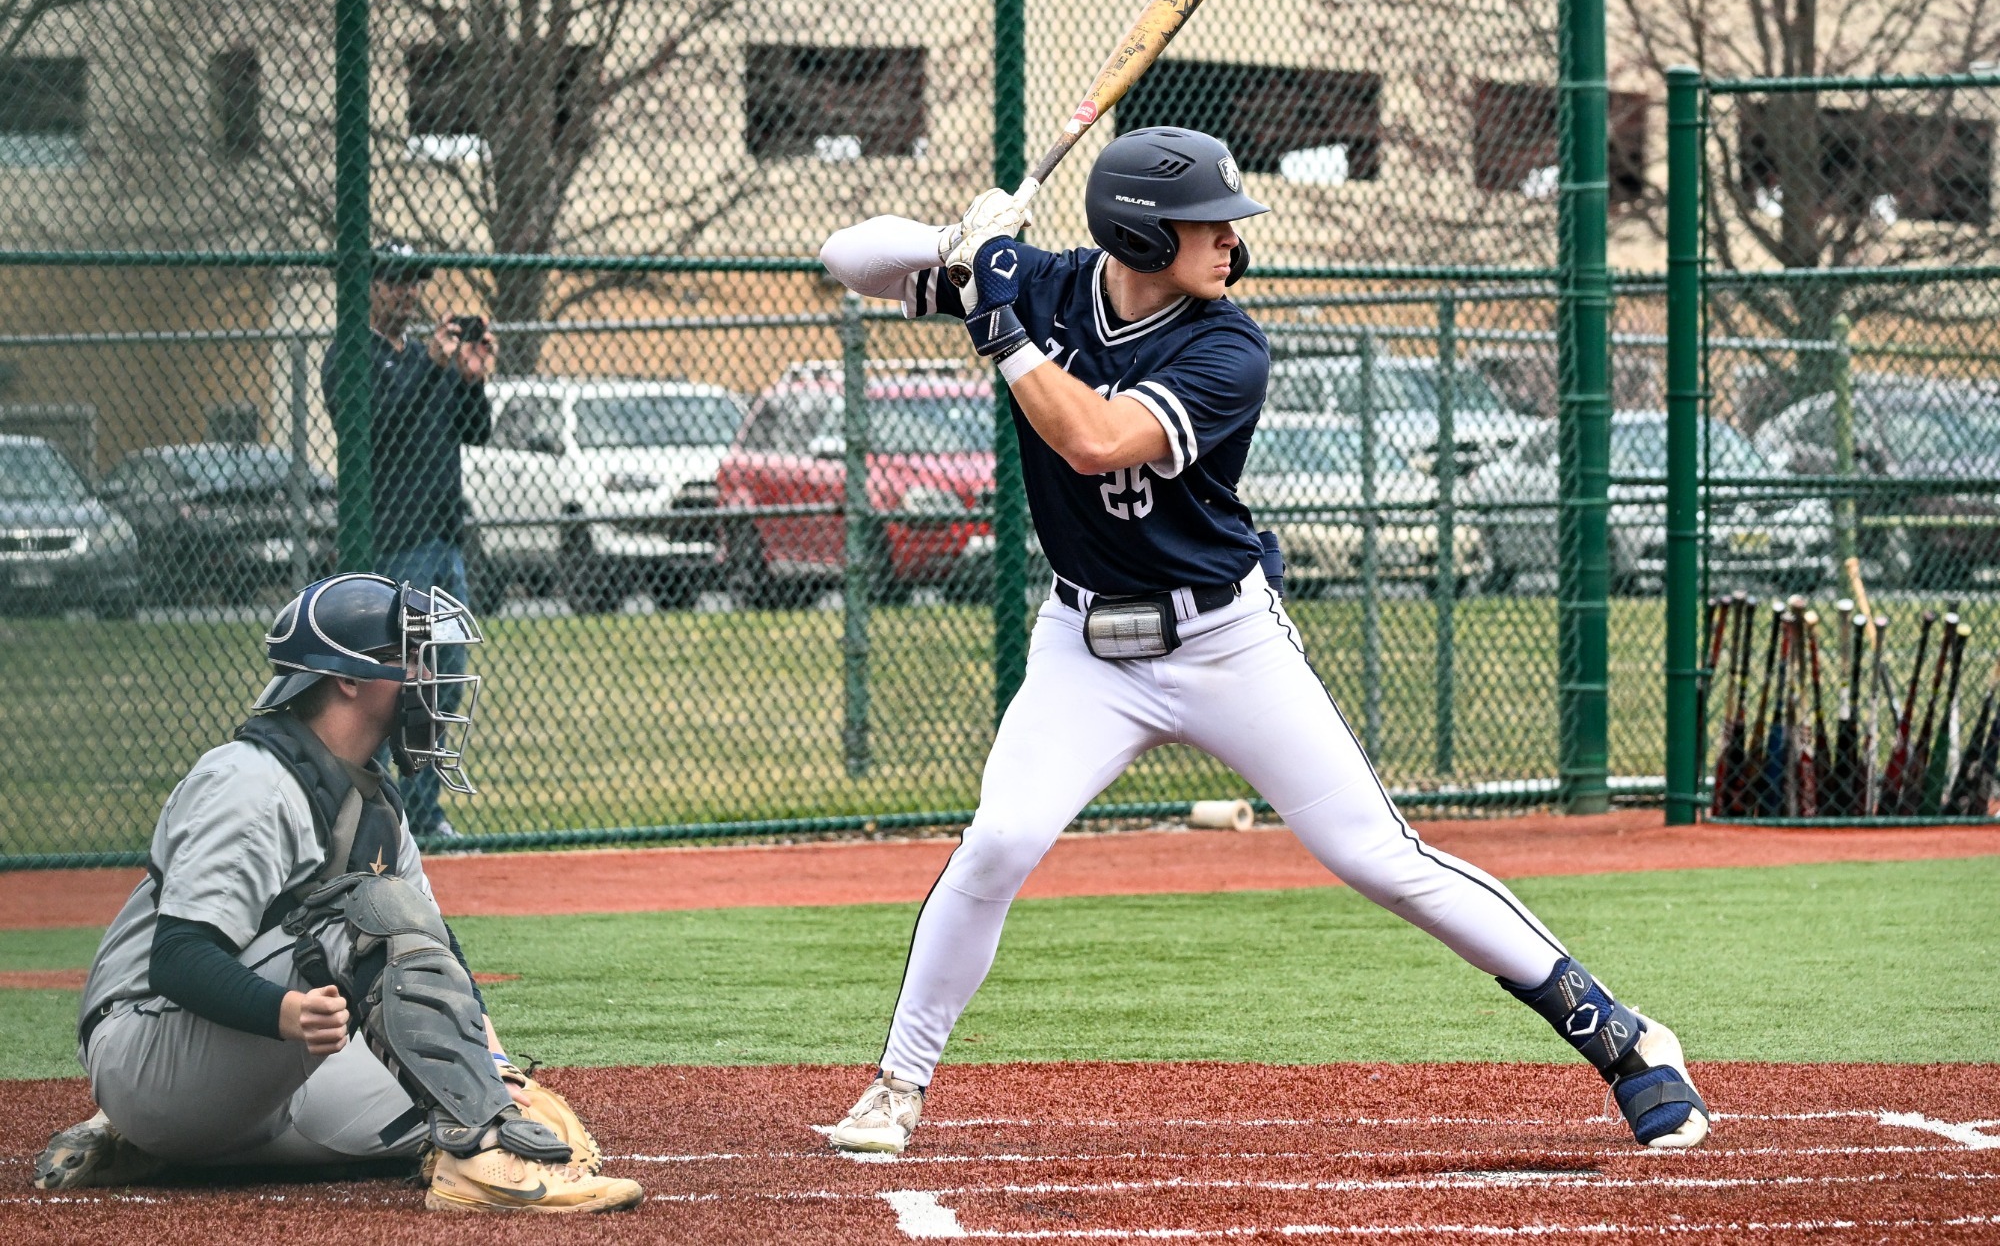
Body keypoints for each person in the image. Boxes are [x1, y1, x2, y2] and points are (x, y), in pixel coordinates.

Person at [815, 127, 1710, 1156]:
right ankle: (897, 1084)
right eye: (1209, 223)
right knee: (1002, 838)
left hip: (1222, 640)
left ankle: (1626, 1039)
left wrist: (1000, 323)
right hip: (1082, 646)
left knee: (1378, 857)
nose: (1231, 242)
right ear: (1141, 231)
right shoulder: (1047, 286)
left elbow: (1093, 437)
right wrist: (962, 243)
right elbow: (844, 259)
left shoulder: (1224, 345)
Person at [32, 573, 643, 1214]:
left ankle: (148, 1151)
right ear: (346, 679)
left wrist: (491, 1068)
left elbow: (435, 950)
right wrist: (285, 1013)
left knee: (453, 1091)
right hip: (150, 1052)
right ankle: (482, 1162)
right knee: (369, 910)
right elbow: (178, 958)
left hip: (261, 1074)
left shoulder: (377, 800)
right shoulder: (248, 783)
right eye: (406, 657)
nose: (426, 676)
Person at [321, 241, 495, 837]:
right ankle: (383, 818)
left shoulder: (429, 360)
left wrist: (470, 380)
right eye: (396, 280)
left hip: (444, 542)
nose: (408, 292)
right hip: (395, 544)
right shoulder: (350, 353)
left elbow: (476, 431)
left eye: (415, 281)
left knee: (442, 680)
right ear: (367, 285)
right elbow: (373, 430)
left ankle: (424, 816)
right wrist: (432, 365)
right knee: (398, 687)